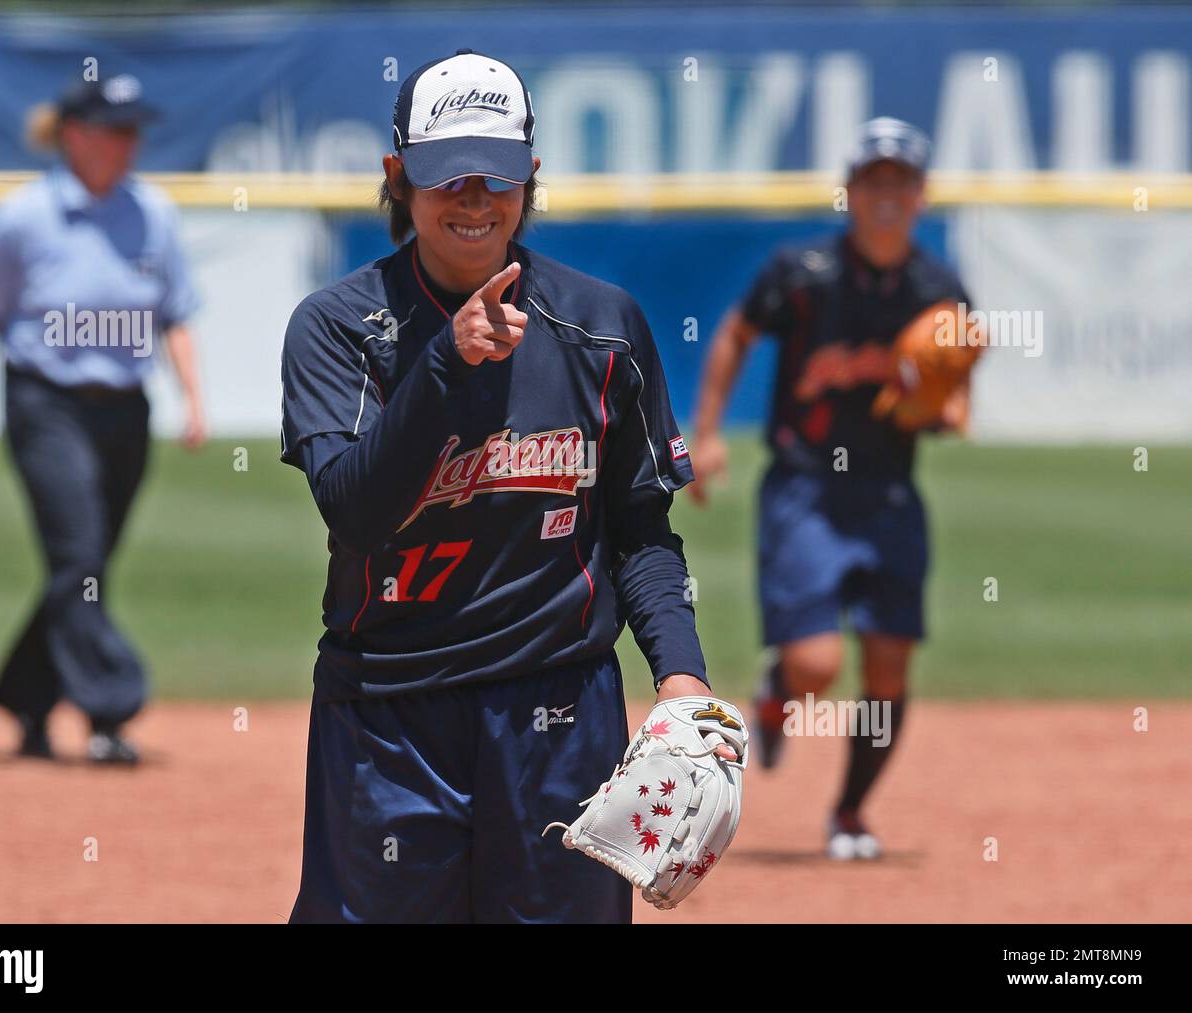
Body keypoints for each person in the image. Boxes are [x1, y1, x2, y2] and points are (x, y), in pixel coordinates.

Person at [280, 50, 731, 923]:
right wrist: (446, 361)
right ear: (398, 176)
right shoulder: (339, 331)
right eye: (451, 179)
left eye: (499, 178)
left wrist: (680, 673)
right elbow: (356, 508)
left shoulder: (603, 327)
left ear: (532, 176)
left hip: (561, 712)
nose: (476, 201)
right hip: (388, 715)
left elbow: (640, 528)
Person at [689, 118, 974, 859]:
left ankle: (849, 812)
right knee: (815, 665)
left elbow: (956, 394)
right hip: (807, 488)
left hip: (888, 496)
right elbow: (735, 334)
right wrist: (710, 429)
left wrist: (944, 408)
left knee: (888, 662)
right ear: (849, 191)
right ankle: (778, 700)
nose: (887, 196)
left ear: (920, 196)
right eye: (873, 181)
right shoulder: (803, 271)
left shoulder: (939, 292)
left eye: (901, 183)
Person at [0, 75, 206, 764]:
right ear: (76, 135)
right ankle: (109, 708)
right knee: (79, 554)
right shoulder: (25, 217)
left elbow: (174, 315)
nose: (131, 143)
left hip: (126, 407)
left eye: (134, 130)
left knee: (83, 568)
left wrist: (194, 401)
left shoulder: (152, 212)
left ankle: (27, 702)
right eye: (117, 130)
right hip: (45, 402)